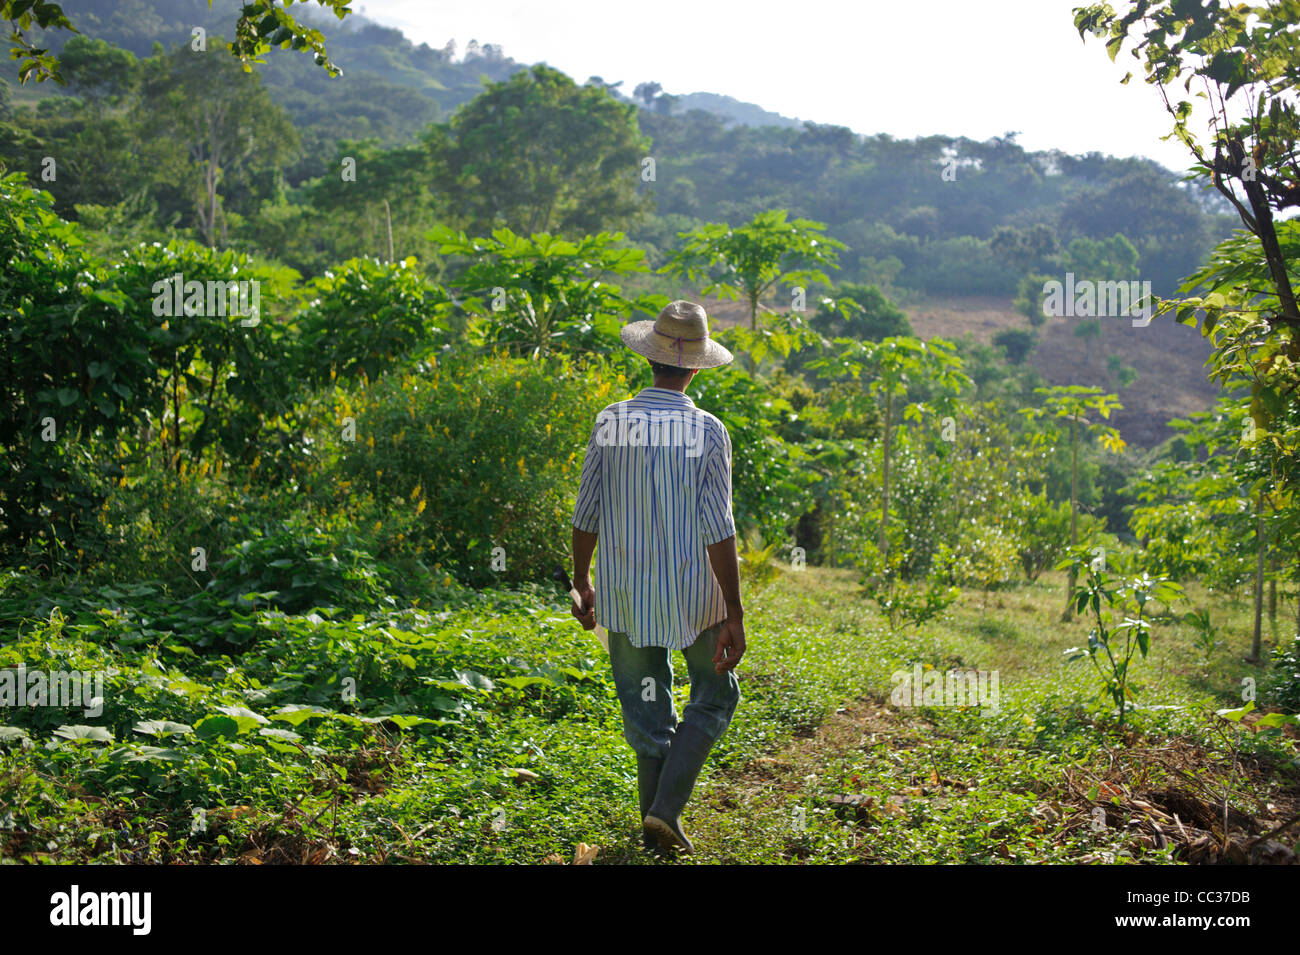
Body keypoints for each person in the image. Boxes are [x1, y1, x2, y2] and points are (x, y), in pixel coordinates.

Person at [569, 300, 746, 856]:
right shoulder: (708, 432)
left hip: (624, 594)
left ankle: (657, 830)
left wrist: (582, 581)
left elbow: (585, 513)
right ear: (696, 366)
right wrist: (734, 613)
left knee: (647, 710)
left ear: (649, 359)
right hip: (696, 593)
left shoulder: (610, 422)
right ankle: (664, 814)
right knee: (714, 695)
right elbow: (719, 528)